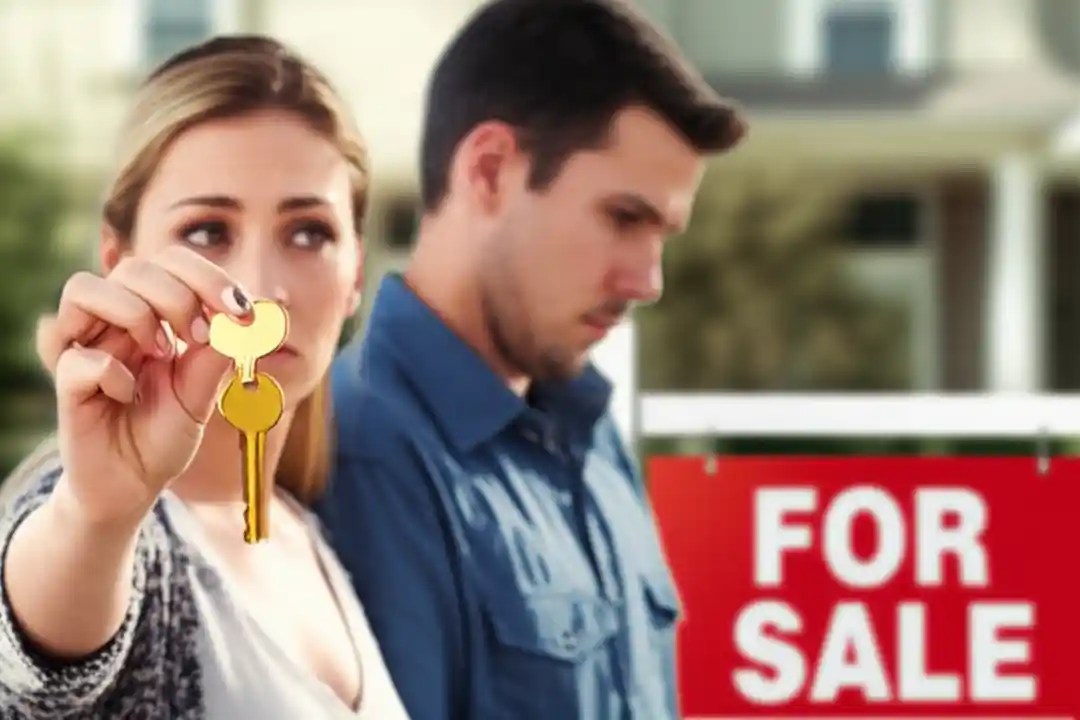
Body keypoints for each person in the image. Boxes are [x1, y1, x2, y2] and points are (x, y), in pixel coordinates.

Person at [311, 0, 748, 717]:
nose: (649, 281)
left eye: (663, 234)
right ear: (489, 171)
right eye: (623, 217)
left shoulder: (592, 437)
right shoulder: (363, 454)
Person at [0, 35, 409, 718]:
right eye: (207, 232)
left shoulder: (308, 532)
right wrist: (95, 519)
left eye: (309, 232)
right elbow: (31, 675)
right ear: (120, 262)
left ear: (355, 276)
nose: (261, 289)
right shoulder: (104, 526)